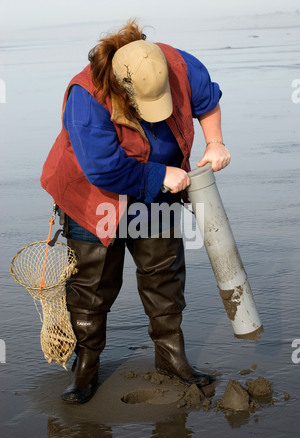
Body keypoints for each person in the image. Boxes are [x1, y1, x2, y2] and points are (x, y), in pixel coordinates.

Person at [40, 19, 231, 404]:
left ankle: (170, 356)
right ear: (120, 89)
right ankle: (86, 367)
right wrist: (162, 174)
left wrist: (215, 142)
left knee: (164, 275)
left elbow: (207, 103)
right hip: (93, 196)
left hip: (159, 191)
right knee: (91, 288)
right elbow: (104, 169)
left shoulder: (177, 65)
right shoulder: (86, 98)